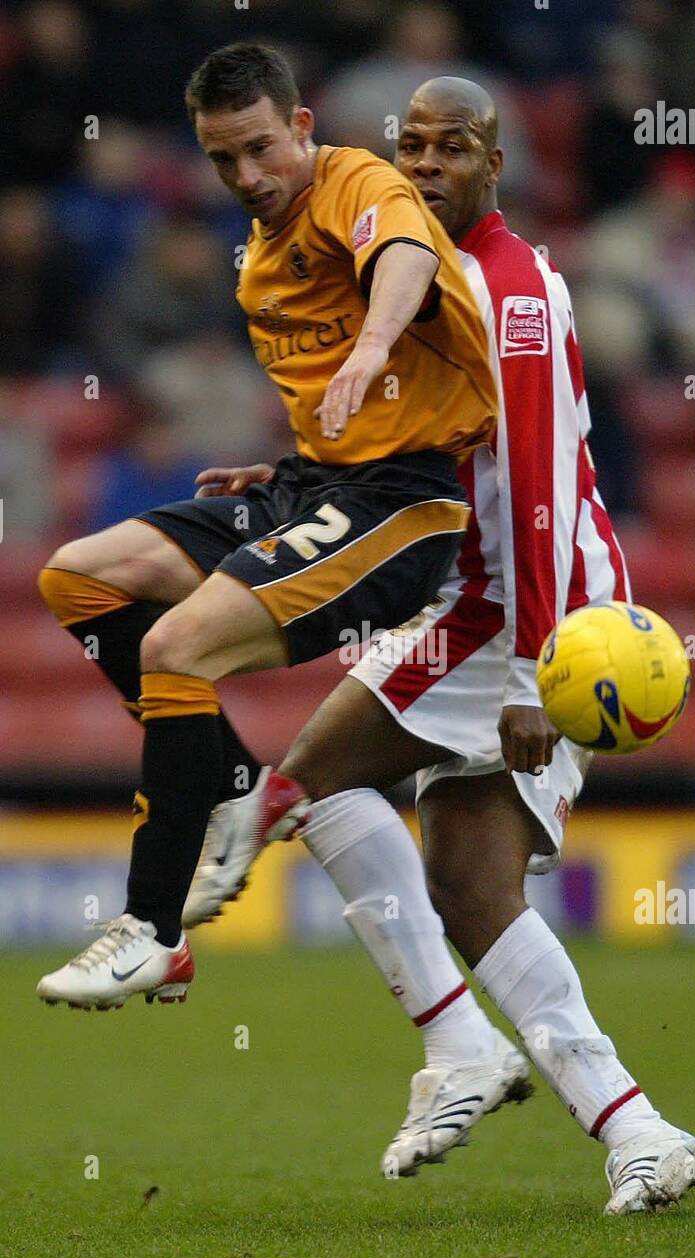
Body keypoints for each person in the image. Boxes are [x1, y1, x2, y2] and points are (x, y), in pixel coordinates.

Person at [179, 77, 695, 1214]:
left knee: (310, 780)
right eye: (410, 145)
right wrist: (291, 481)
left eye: (453, 148)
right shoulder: (408, 268)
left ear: (494, 165)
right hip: (480, 601)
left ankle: (457, 1046)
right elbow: (405, 443)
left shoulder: (506, 289)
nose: (425, 165)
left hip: (520, 611)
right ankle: (639, 1132)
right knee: (469, 887)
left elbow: (535, 483)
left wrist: (529, 672)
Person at [35, 38, 518, 1130]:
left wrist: (373, 347)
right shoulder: (257, 260)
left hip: (404, 506)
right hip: (315, 487)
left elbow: (402, 256)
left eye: (260, 148)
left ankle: (154, 928)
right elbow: (334, 404)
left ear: (300, 127)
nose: (246, 175)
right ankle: (233, 782)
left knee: (175, 648)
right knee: (80, 579)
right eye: (222, 159)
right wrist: (285, 467)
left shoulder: (356, 180)